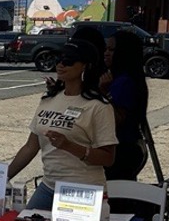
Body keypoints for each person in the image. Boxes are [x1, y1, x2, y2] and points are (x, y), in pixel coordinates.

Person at [8, 40, 117, 210]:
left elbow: (108, 158)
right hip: (49, 185)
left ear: (85, 66)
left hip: (82, 189)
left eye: (69, 60)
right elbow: (30, 146)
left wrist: (69, 146)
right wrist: (3, 177)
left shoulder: (99, 106)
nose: (60, 64)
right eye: (58, 59)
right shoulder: (49, 99)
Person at [103, 30, 149, 182]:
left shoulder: (124, 82)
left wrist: (103, 92)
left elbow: (116, 119)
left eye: (111, 50)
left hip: (122, 148)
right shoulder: (123, 77)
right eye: (106, 49)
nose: (106, 53)